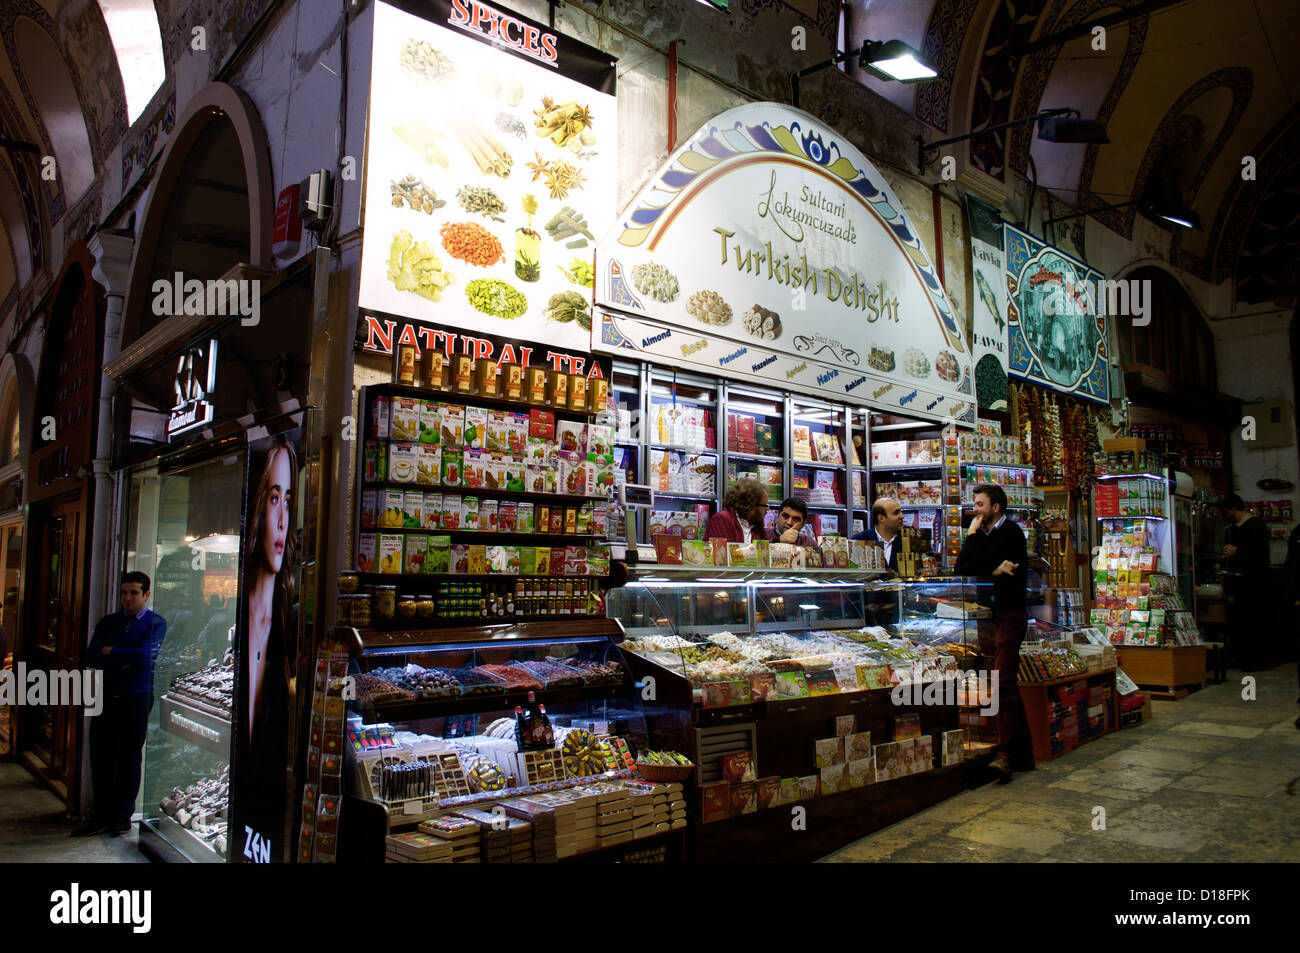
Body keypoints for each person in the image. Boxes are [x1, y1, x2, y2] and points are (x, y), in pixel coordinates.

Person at [73, 572, 167, 836]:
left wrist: (112, 652)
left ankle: (122, 816)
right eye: (124, 592)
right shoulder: (109, 622)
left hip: (136, 696)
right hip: (105, 695)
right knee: (101, 756)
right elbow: (92, 656)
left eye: (134, 593)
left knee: (128, 757)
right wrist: (124, 659)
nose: (127, 598)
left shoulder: (155, 623)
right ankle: (102, 815)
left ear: (146, 594)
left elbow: (146, 657)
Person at [953, 484, 1032, 781]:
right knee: (1000, 682)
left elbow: (994, 565)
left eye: (980, 504)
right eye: (975, 504)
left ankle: (1006, 754)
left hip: (1009, 614)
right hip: (988, 616)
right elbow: (963, 569)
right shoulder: (982, 535)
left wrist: (982, 557)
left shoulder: (1011, 533)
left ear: (996, 507)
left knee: (1002, 683)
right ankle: (1021, 752)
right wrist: (974, 541)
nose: (975, 509)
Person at [1220, 493, 1271, 670]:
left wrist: (1237, 551)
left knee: (1252, 622)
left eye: (1228, 512)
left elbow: (1259, 555)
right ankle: (1245, 658)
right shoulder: (1240, 527)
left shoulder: (1255, 526)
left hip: (1253, 584)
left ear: (1233, 509)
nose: (1228, 516)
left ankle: (1254, 660)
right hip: (1245, 583)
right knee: (1243, 622)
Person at [704, 478, 769, 544]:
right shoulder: (721, 519)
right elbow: (724, 552)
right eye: (765, 506)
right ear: (751, 506)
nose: (767, 510)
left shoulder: (757, 527)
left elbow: (765, 551)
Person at [851, 497, 903, 574]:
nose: (902, 516)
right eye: (896, 513)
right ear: (881, 518)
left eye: (901, 512)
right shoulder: (859, 541)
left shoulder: (909, 538)